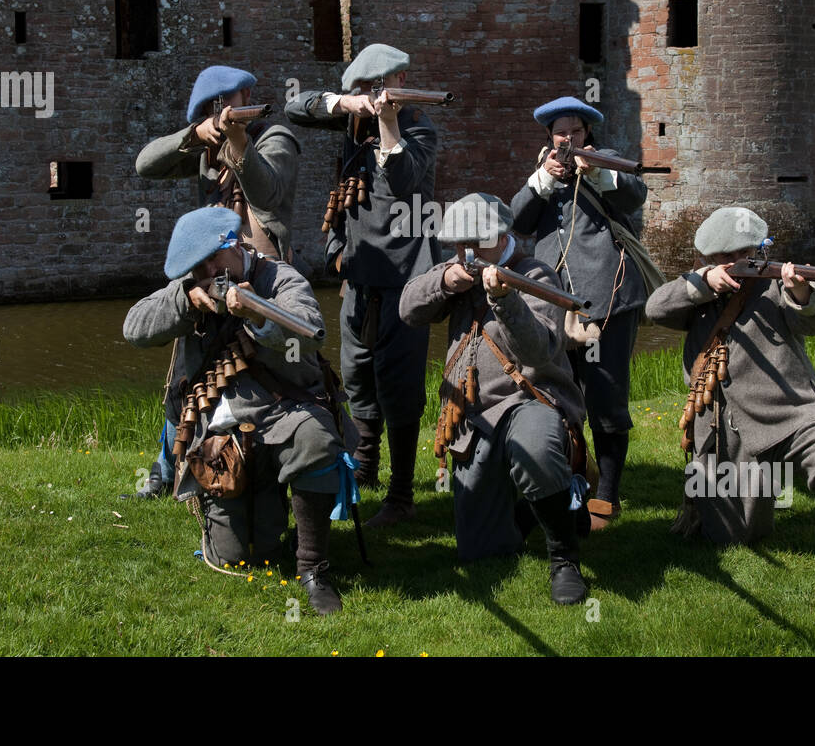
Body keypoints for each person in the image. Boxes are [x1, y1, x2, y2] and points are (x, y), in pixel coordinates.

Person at [123, 207, 358, 614]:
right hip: (220, 434)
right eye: (199, 268)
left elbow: (308, 331)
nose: (211, 271)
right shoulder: (189, 288)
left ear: (234, 244)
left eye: (215, 260)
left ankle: (314, 570)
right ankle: (264, 497)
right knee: (240, 556)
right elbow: (134, 328)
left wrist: (257, 315)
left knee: (316, 438)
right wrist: (186, 301)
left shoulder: (278, 277)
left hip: (283, 412)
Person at [644, 206, 815, 602]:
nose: (727, 265)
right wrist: (703, 281)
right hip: (727, 431)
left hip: (792, 414)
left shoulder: (777, 287)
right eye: (715, 260)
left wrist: (802, 291)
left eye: (734, 257)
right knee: (733, 538)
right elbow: (653, 309)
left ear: (757, 251)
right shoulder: (702, 293)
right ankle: (761, 492)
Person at [400, 193, 590, 604]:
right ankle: (539, 510)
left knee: (535, 450)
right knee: (481, 551)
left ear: (502, 235)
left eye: (477, 244)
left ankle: (564, 557)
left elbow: (539, 351)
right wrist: (443, 281)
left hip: (532, 400)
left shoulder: (535, 274)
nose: (467, 254)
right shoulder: (456, 269)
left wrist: (506, 301)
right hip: (474, 416)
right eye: (459, 245)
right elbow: (407, 309)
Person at [285, 44, 441, 528]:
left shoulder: (418, 127)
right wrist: (345, 105)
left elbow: (399, 179)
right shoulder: (353, 122)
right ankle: (368, 473)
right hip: (358, 276)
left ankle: (400, 498)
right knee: (358, 380)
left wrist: (388, 121)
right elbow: (295, 107)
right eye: (368, 91)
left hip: (405, 280)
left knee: (400, 388)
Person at [131, 65, 300, 499]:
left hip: (261, 278)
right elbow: (145, 164)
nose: (226, 109)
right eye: (216, 105)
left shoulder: (274, 138)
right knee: (185, 377)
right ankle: (166, 467)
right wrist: (194, 135)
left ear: (247, 95)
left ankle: (267, 466)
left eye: (231, 100)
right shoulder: (205, 150)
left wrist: (238, 141)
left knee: (268, 374)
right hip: (208, 276)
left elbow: (268, 195)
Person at [510, 97, 651, 531]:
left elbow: (636, 193)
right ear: (549, 135)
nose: (566, 138)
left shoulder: (604, 162)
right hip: (553, 303)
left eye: (574, 131)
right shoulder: (545, 170)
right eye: (559, 131)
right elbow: (517, 221)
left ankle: (605, 497)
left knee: (606, 399)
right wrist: (541, 181)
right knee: (554, 396)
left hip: (607, 299)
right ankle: (567, 481)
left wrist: (599, 172)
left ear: (587, 133)